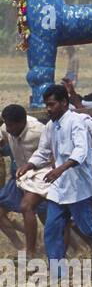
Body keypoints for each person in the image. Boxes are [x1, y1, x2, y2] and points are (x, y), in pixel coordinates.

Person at [16, 85, 92, 280]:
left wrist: (60, 168)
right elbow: (43, 152)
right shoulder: (51, 126)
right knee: (52, 228)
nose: (48, 109)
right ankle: (58, 274)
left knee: (88, 228)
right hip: (59, 187)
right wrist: (30, 165)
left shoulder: (78, 122)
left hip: (78, 186)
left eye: (52, 104)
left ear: (64, 102)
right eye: (47, 105)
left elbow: (81, 151)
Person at [1, 104, 47, 256]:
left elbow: (55, 152)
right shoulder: (5, 128)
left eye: (11, 125)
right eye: (6, 124)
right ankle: (21, 247)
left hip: (40, 175)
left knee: (40, 213)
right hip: (20, 175)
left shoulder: (39, 131)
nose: (7, 129)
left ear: (22, 123)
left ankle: (31, 253)